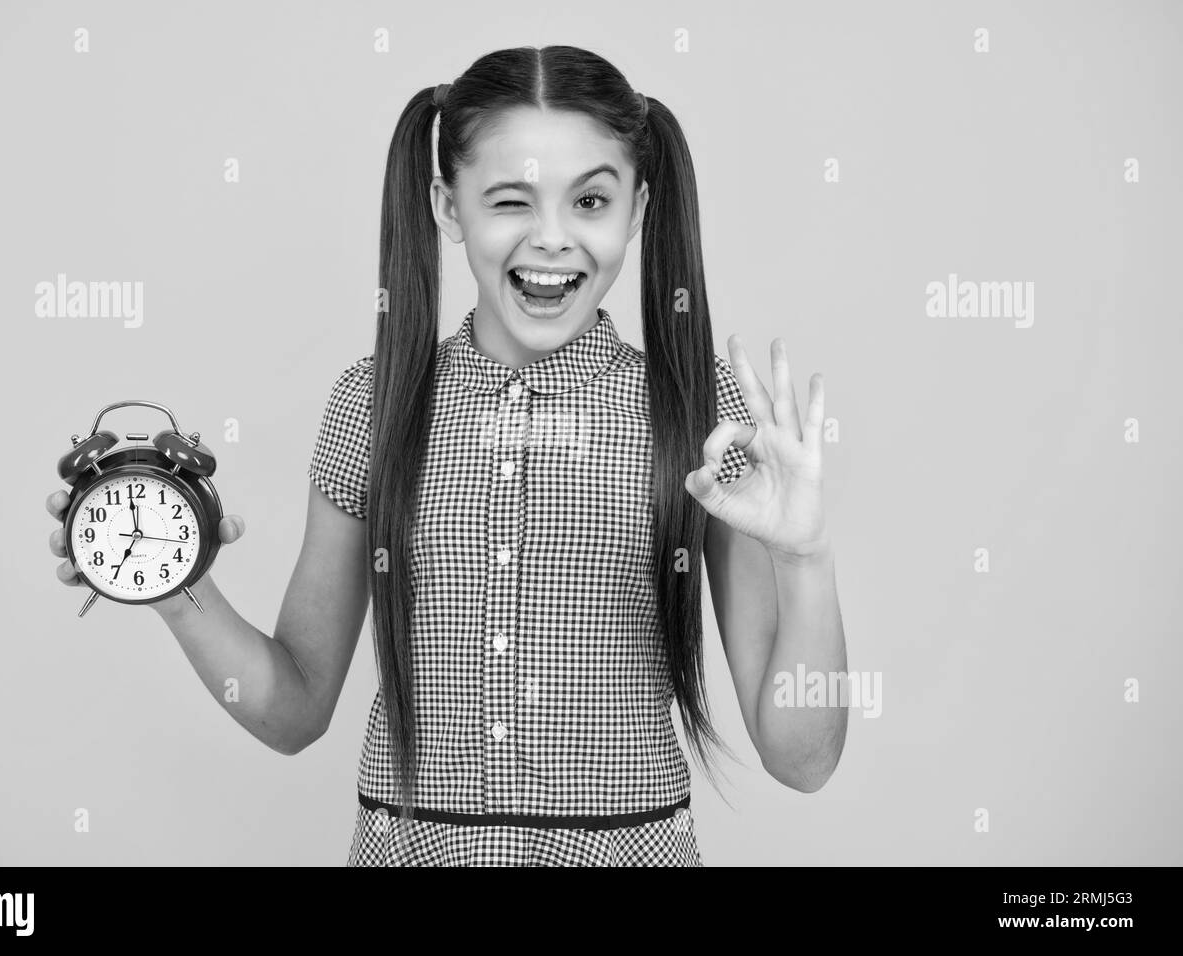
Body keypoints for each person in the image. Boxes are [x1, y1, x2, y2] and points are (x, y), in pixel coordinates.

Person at [45, 44, 847, 867]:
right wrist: (174, 582)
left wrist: (805, 558)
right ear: (447, 205)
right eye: (510, 200)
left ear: (637, 209)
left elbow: (803, 758)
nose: (552, 239)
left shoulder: (701, 419)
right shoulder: (374, 404)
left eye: (591, 201)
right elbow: (293, 709)